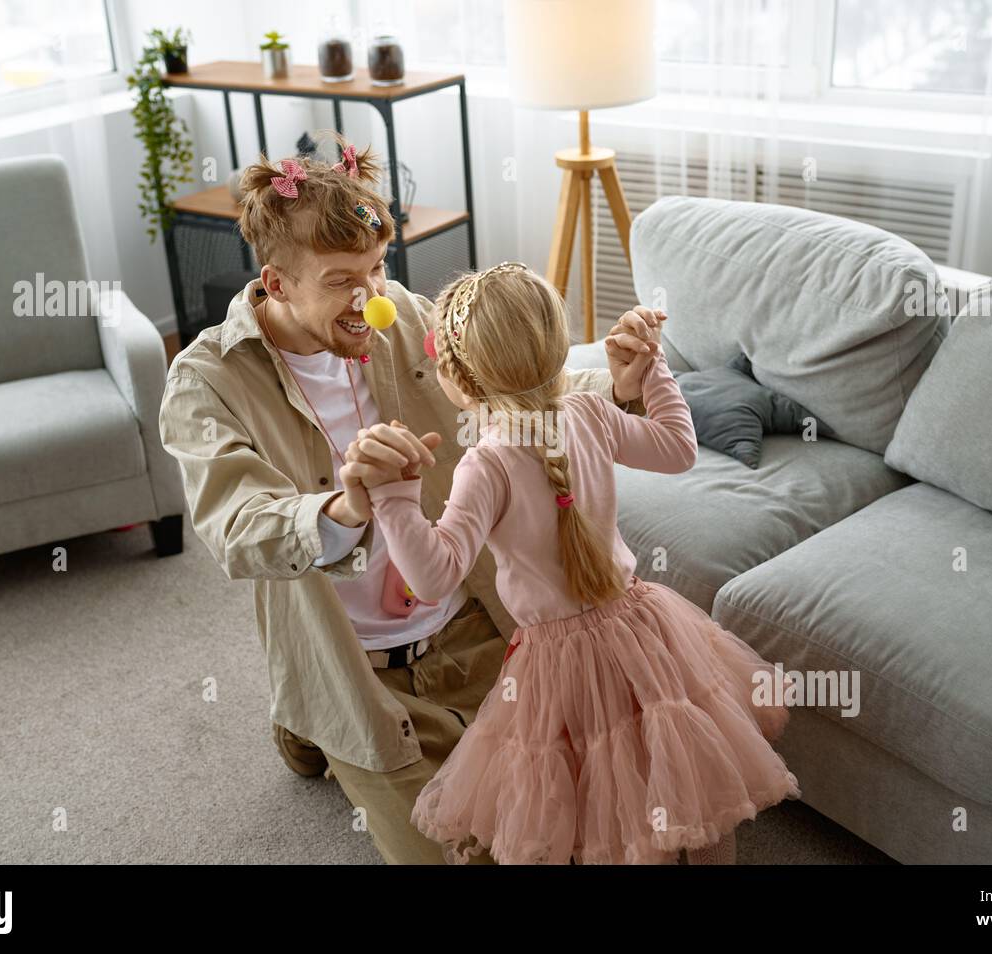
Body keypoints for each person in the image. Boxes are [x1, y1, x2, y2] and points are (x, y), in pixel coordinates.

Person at [157, 132, 660, 864]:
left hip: (476, 623)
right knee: (465, 853)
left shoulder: (405, 314)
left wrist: (616, 390)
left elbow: (515, 392)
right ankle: (308, 722)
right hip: (358, 668)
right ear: (276, 282)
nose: (372, 300)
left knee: (595, 810)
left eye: (377, 268)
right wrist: (344, 508)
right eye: (340, 280)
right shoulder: (207, 381)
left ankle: (316, 722)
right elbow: (237, 530)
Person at [342, 262, 802, 864]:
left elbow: (432, 577)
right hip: (644, 625)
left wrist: (394, 496)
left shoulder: (487, 463)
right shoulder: (588, 412)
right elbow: (678, 449)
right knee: (680, 764)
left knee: (598, 795)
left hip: (559, 661)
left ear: (456, 375)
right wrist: (653, 369)